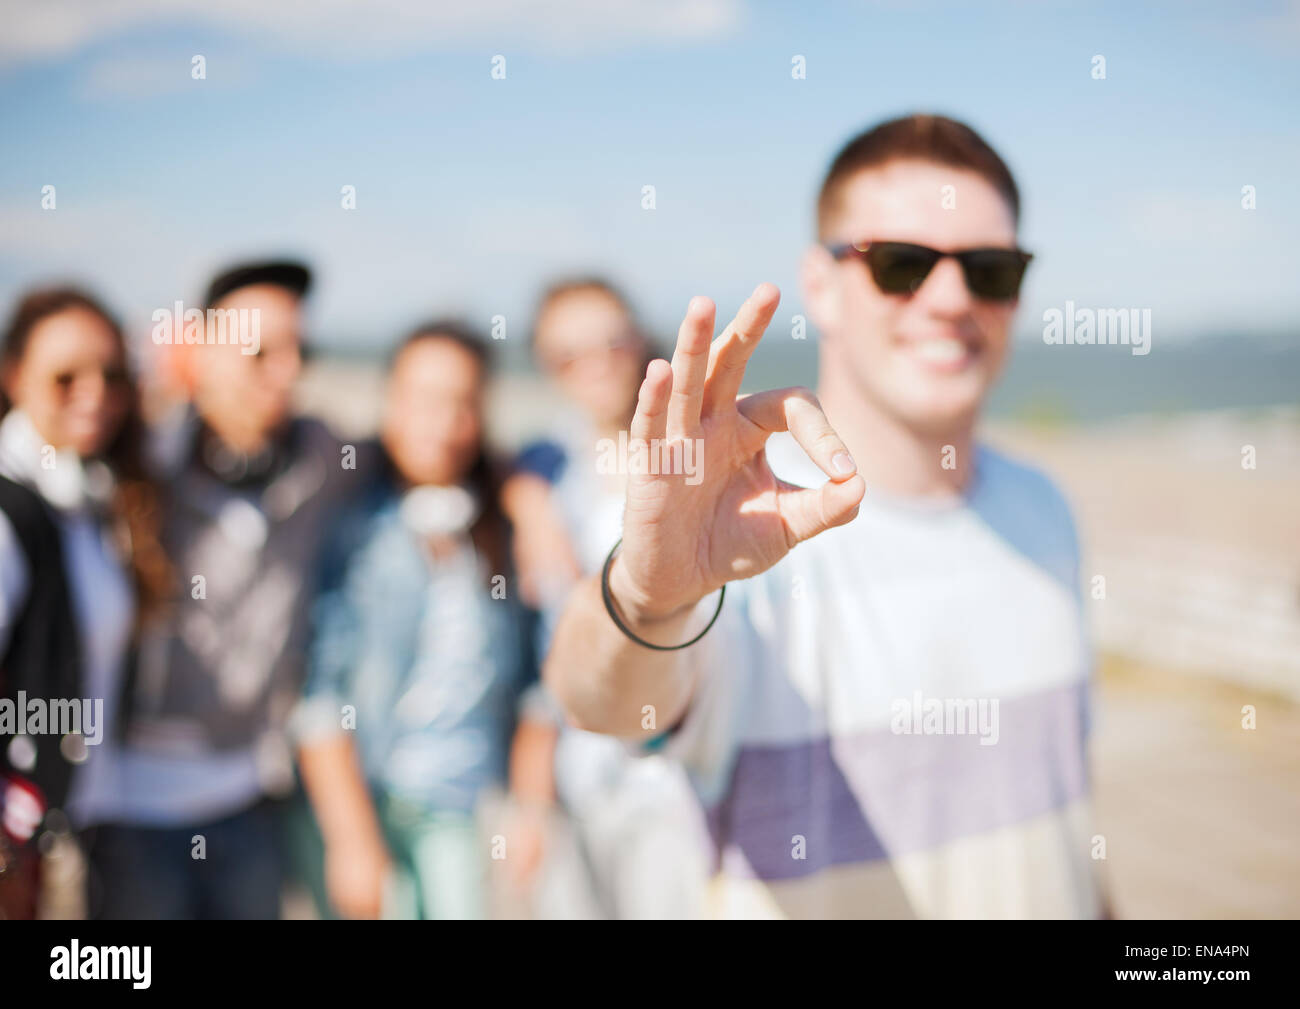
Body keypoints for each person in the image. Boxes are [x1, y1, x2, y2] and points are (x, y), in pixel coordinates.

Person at [544, 114, 1105, 918]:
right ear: (820, 286)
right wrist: (647, 594)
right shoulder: (740, 528)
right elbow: (603, 703)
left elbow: (1068, 810)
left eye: (989, 269)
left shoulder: (1045, 509)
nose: (951, 299)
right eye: (904, 264)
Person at [88, 260, 372, 919]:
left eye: (299, 350)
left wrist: (524, 497)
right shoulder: (132, 463)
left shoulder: (323, 459)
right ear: (200, 350)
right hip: (131, 808)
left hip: (249, 798)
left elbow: (426, 452)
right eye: (259, 351)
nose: (287, 371)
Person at [291, 322, 528, 920]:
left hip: (458, 802)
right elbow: (319, 693)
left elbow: (534, 679)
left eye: (464, 404)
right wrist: (352, 841)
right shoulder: (354, 524)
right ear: (391, 404)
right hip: (367, 796)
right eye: (424, 400)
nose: (445, 424)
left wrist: (531, 805)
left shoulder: (503, 520)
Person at [503, 279, 709, 918]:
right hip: (579, 762)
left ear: (639, 340)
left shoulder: (693, 447)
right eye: (567, 355)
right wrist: (528, 503)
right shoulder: (550, 464)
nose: (594, 365)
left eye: (610, 343)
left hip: (678, 764)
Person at [0, 288, 168, 919]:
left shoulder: (92, 496)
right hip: (25, 839)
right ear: (15, 376)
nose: (95, 393)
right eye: (66, 376)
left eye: (112, 375)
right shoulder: (11, 510)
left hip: (91, 818)